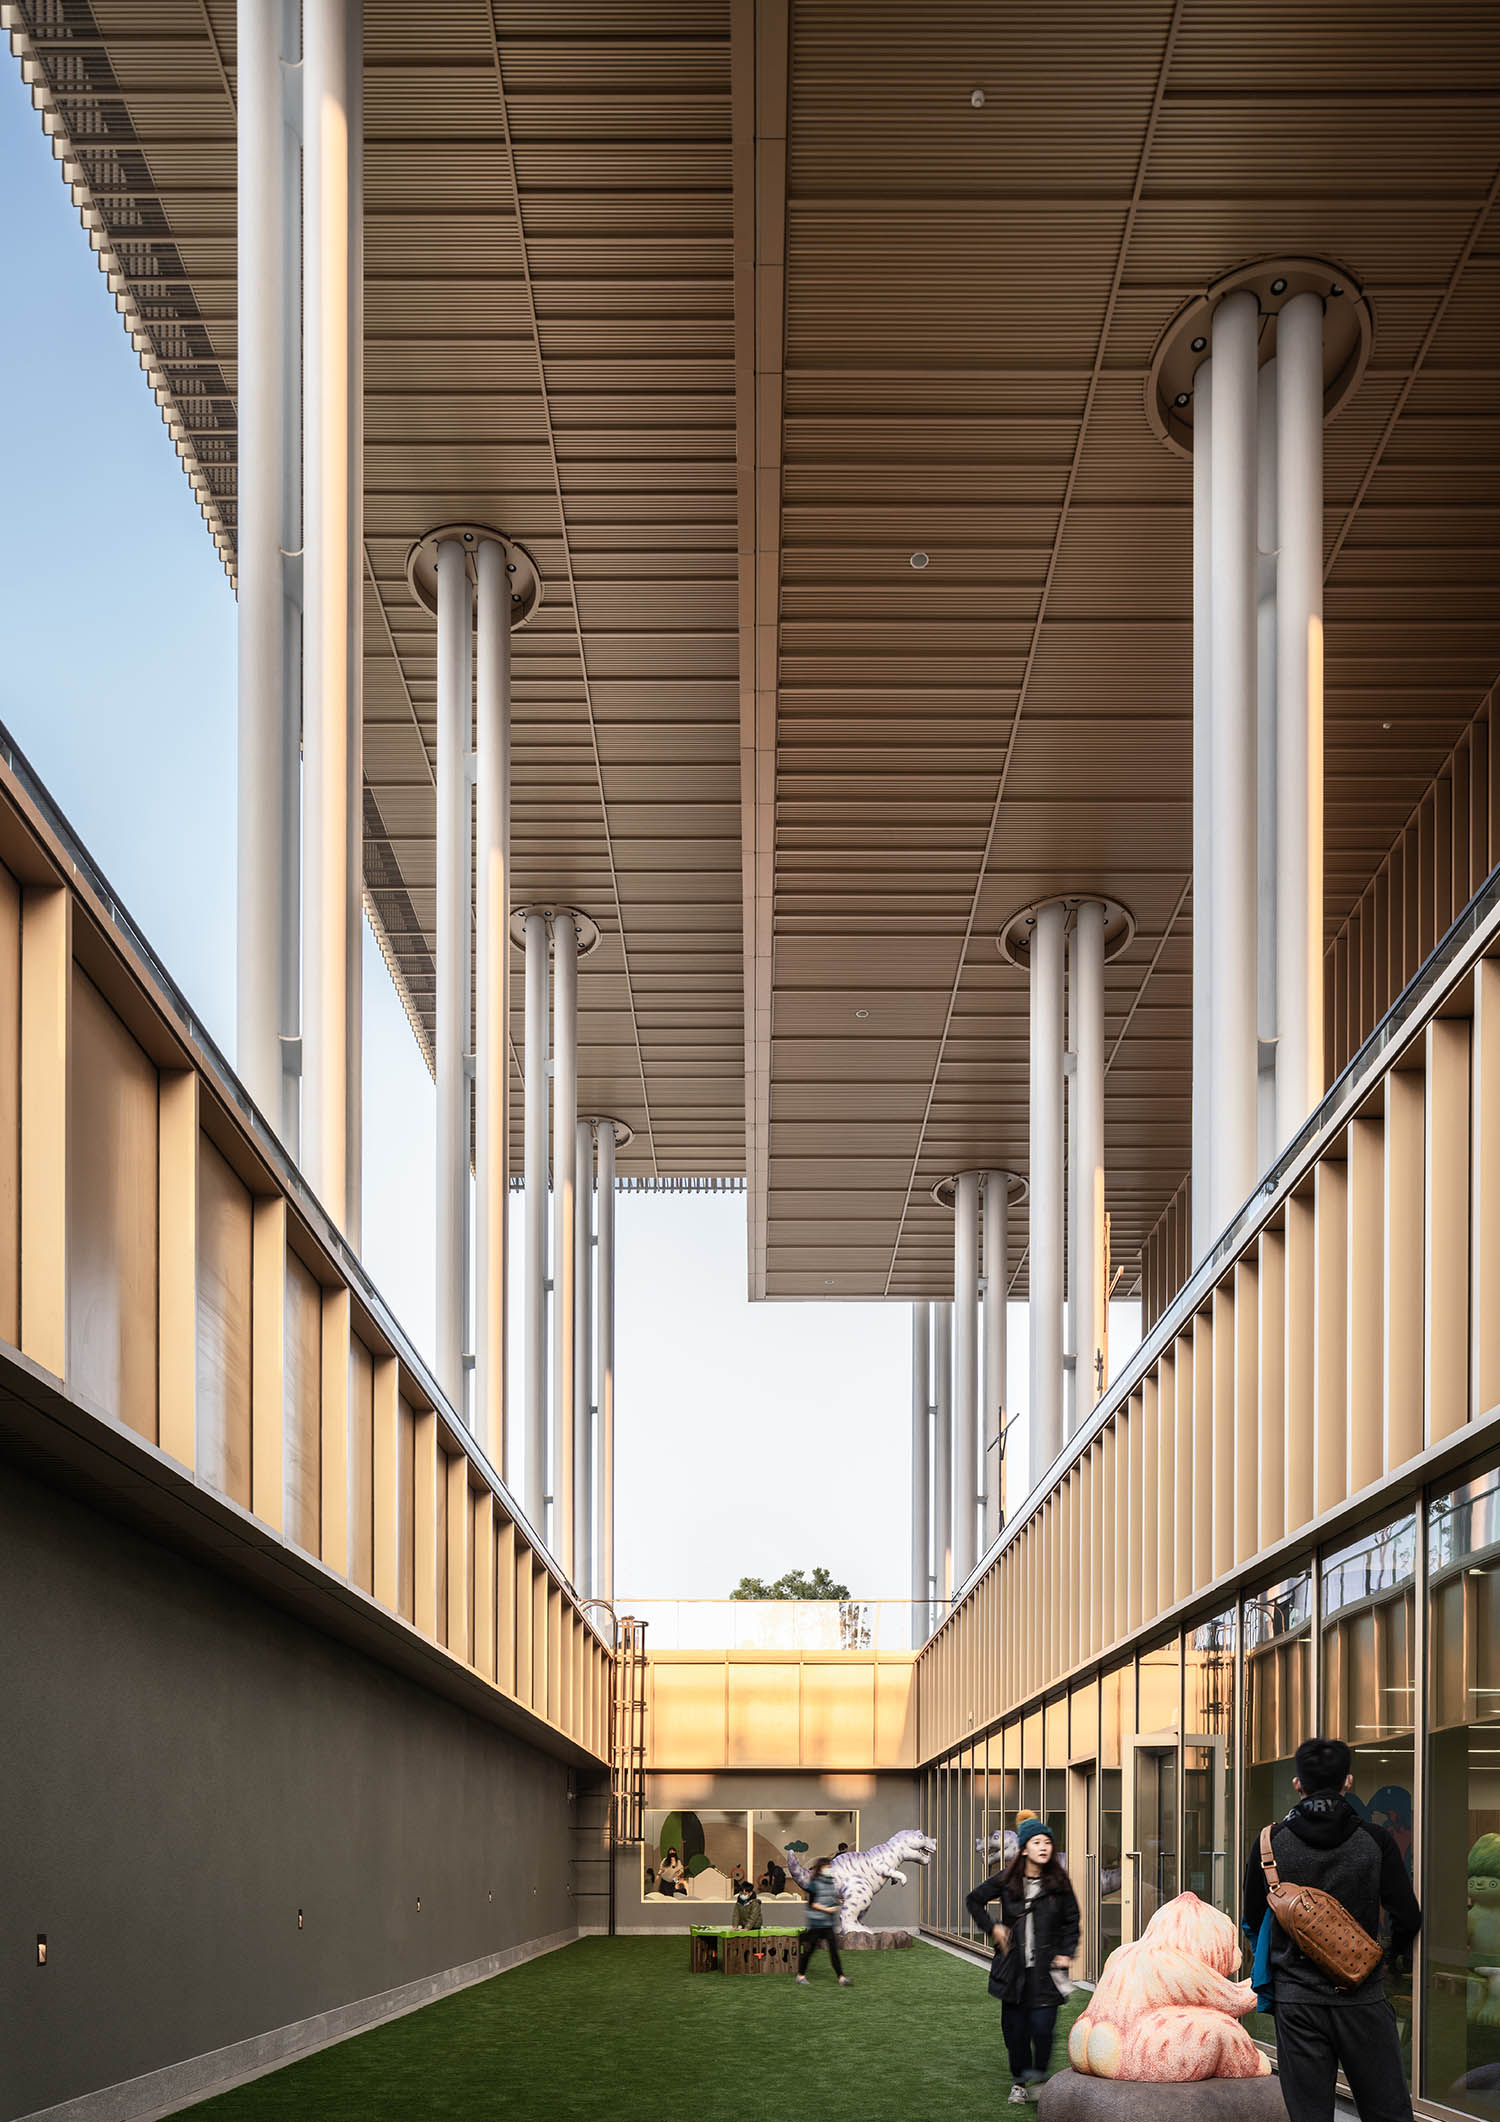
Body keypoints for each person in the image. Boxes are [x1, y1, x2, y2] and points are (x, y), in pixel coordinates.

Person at [1241, 1737, 1421, 2122]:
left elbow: (1252, 1920)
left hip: (1297, 2002)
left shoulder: (1269, 1843)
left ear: (1297, 1784)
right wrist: (1384, 1960)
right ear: (1349, 1781)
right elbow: (1408, 1916)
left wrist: (1279, 1965)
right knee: (1388, 2111)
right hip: (1363, 1997)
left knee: (1309, 2114)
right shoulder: (1375, 1841)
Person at [966, 1818, 1081, 2103]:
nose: (1044, 1847)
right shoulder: (1006, 1879)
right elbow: (974, 1900)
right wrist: (993, 1927)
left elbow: (1071, 1920)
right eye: (1037, 1842)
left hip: (1047, 1972)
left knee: (1042, 2030)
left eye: (1048, 1842)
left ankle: (1039, 2077)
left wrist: (1067, 1951)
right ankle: (1019, 2081)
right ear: (1025, 1849)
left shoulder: (1058, 1883)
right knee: (1015, 2033)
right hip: (1014, 1970)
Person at [795, 1855, 852, 1987]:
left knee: (833, 1951)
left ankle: (841, 1978)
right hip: (816, 1923)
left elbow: (829, 1899)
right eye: (827, 1867)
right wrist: (827, 1910)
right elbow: (812, 1904)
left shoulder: (830, 1883)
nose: (829, 1869)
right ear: (820, 1869)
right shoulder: (814, 1884)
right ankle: (800, 1975)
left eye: (830, 1867)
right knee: (810, 1951)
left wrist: (838, 1902)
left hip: (828, 1924)